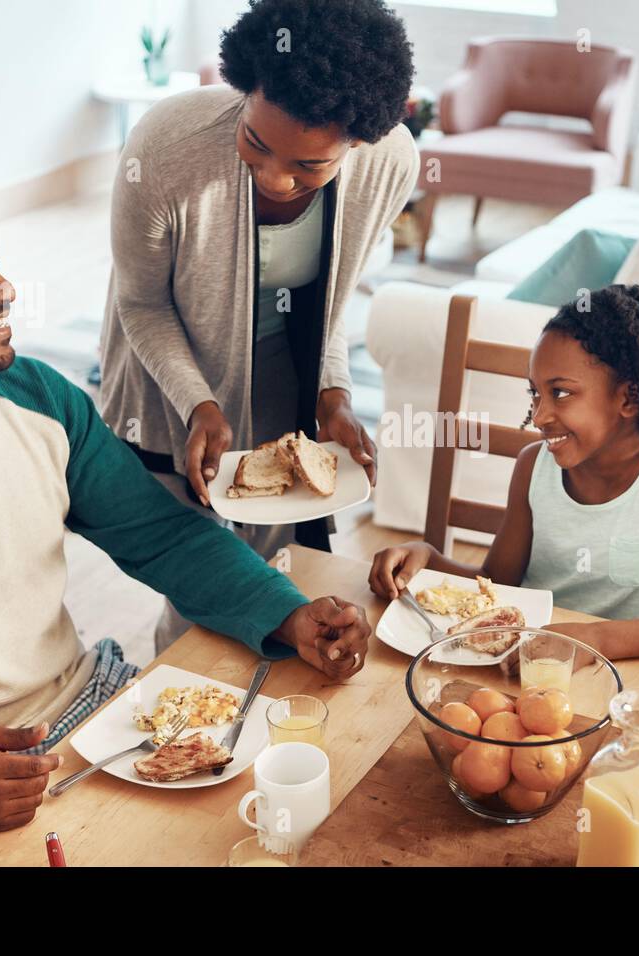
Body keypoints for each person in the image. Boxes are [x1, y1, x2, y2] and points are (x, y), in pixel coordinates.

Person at [0, 182, 372, 866]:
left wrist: (289, 614)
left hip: (83, 709)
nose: (5, 291)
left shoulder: (39, 397)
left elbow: (162, 536)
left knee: (278, 829)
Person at [98, 0, 421, 653]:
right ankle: (187, 705)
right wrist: (200, 405)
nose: (275, 177)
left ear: (357, 145)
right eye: (256, 143)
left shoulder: (390, 163)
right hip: (170, 373)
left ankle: (271, 700)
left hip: (287, 372)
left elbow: (331, 297)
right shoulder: (167, 147)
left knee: (277, 560)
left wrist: (333, 394)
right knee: (200, 569)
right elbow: (142, 304)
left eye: (309, 166)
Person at [369, 284, 639, 659]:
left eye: (560, 393)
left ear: (629, 398)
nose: (539, 416)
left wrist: (596, 639)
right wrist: (427, 557)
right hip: (528, 671)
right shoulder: (532, 467)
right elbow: (498, 582)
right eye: (535, 393)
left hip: (630, 687)